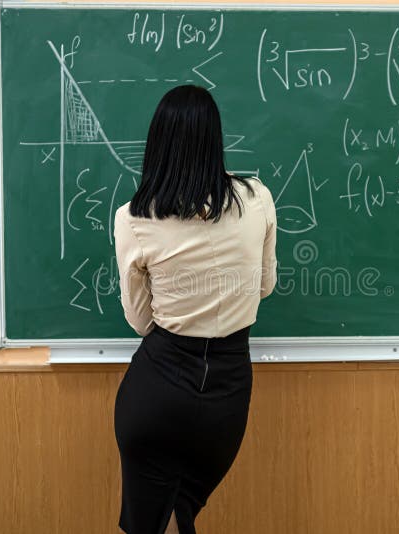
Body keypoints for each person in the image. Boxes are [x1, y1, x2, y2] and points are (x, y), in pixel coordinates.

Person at [112, 85, 277, 534]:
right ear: (215, 140)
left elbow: (140, 320)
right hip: (227, 393)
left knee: (150, 523)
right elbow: (264, 287)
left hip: (158, 390)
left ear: (157, 143)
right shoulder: (256, 198)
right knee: (182, 511)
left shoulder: (134, 217)